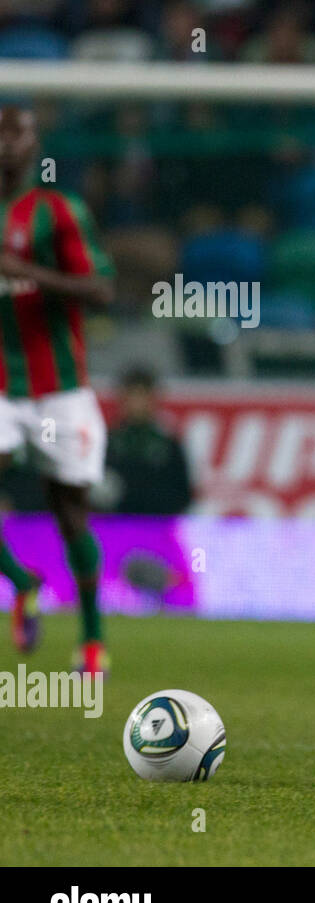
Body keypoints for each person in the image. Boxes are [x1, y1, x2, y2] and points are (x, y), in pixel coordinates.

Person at [0, 104, 115, 674]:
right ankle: (22, 582)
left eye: (17, 131)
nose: (8, 142)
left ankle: (92, 642)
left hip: (60, 386)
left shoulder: (57, 210)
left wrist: (25, 272)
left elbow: (100, 290)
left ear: (33, 143)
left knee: (70, 514)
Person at [104, 367, 194, 516]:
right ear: (122, 398)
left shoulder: (168, 445)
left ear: (153, 399)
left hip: (156, 527)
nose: (137, 403)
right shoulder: (109, 442)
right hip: (116, 527)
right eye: (132, 395)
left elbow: (183, 494)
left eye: (142, 395)